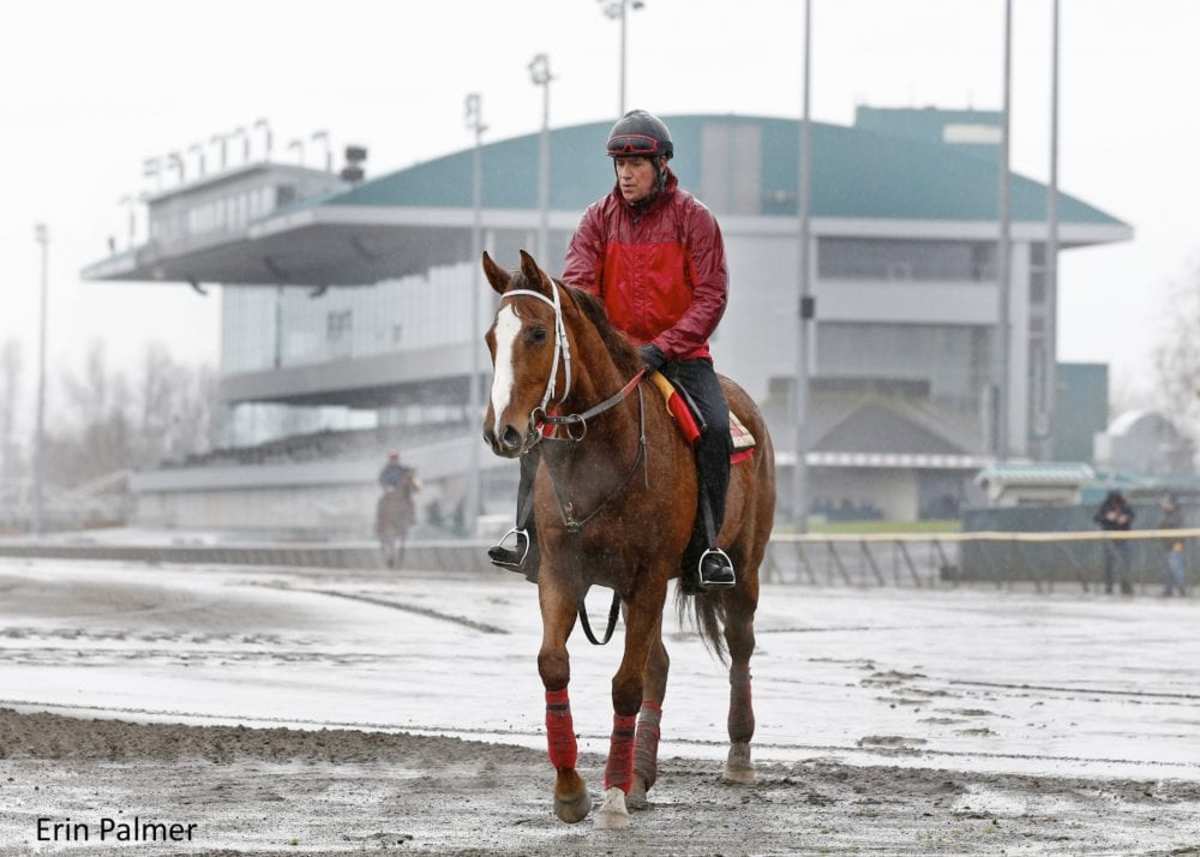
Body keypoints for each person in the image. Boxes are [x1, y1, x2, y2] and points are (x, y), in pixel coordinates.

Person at [488, 109, 736, 590]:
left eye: (637, 163)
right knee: (543, 422)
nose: (626, 172)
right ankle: (525, 535)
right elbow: (580, 293)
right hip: (612, 362)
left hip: (681, 360)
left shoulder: (696, 220)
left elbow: (711, 297)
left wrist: (662, 348)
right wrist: (614, 349)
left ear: (662, 165)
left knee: (717, 432)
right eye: (619, 163)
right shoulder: (595, 221)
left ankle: (708, 549)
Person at [1093, 490, 1135, 595]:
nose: (1115, 503)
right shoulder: (1105, 506)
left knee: (1125, 565)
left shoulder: (1125, 506)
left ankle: (1126, 588)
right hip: (1110, 539)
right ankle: (1109, 588)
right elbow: (1096, 518)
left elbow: (1132, 516)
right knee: (1109, 565)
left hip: (1123, 538)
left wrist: (1126, 518)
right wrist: (1106, 517)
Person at [1158, 494, 1187, 597]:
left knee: (1176, 568)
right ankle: (1168, 590)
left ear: (1172, 504)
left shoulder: (1177, 514)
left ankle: (1182, 590)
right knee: (1167, 569)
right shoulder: (1166, 514)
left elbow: (1181, 530)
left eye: (1166, 503)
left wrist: (1179, 543)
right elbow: (1161, 528)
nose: (1163, 505)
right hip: (1166, 545)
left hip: (1175, 545)